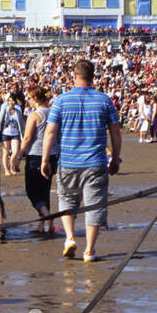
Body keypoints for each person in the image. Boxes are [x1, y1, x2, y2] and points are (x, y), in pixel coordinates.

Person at [40, 59, 121, 262]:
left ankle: (70, 237)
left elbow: (50, 132)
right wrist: (116, 158)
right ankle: (90, 250)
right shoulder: (104, 100)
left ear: (73, 76)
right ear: (93, 77)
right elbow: (115, 132)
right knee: (95, 205)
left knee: (67, 200)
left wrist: (45, 159)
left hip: (68, 160)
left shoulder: (61, 100)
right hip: (95, 162)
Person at [13, 85, 57, 235]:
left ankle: (48, 218)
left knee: (32, 191)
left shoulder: (34, 115)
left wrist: (18, 156)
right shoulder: (53, 113)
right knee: (44, 190)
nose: (28, 101)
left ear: (36, 98)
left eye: (30, 98)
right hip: (52, 155)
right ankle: (42, 225)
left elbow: (27, 138)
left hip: (36, 155)